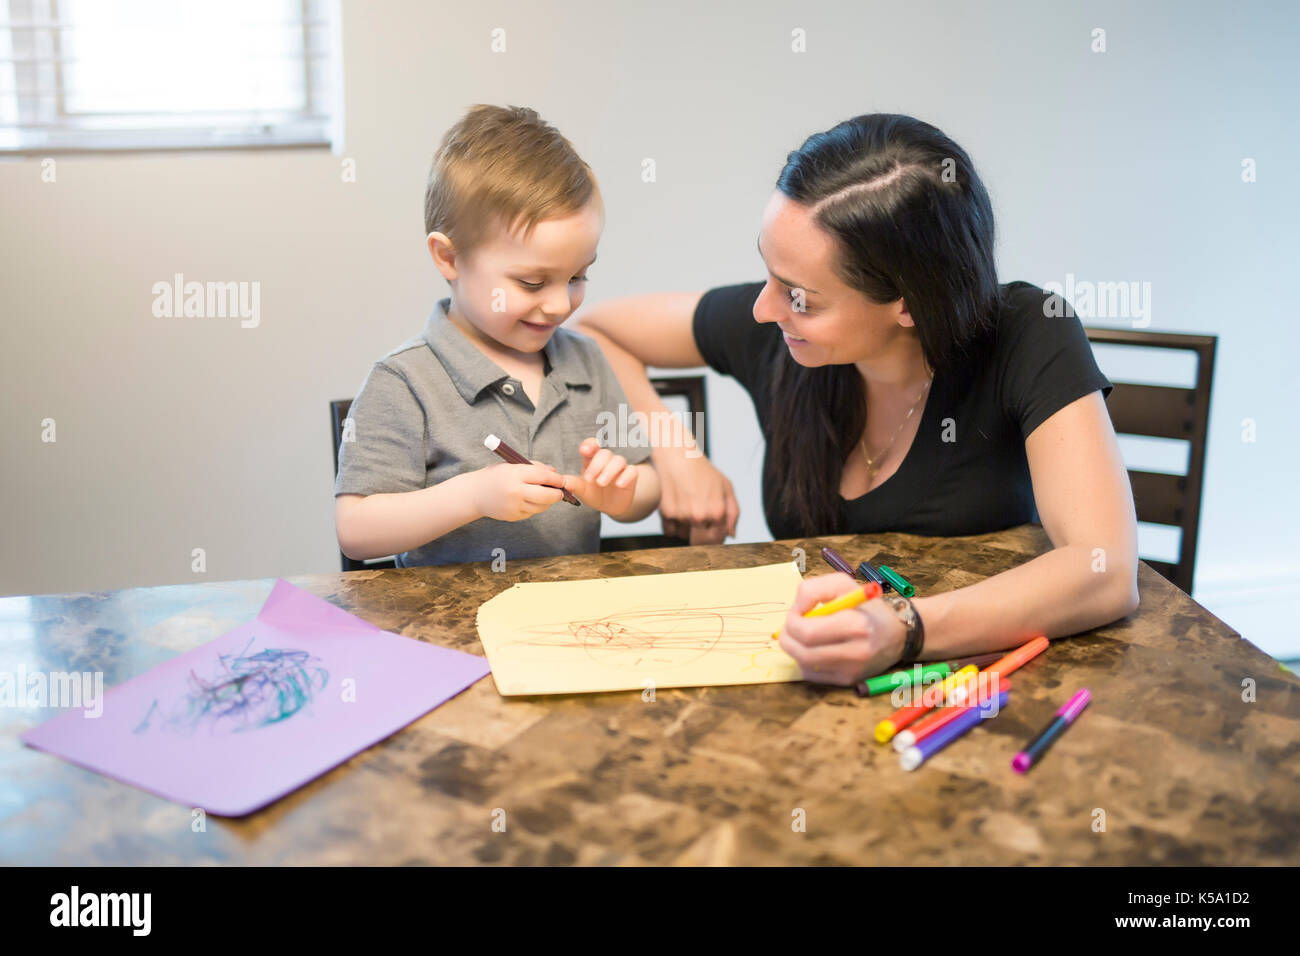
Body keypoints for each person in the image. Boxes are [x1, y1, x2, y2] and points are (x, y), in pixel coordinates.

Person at [573, 113, 1138, 685]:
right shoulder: (778, 332)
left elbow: (1107, 569)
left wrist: (904, 629)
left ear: (910, 304)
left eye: (800, 297)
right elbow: (599, 332)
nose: (763, 310)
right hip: (810, 679)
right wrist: (678, 456)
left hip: (980, 689)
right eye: (768, 272)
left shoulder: (1029, 332)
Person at [335, 105, 660, 568]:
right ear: (449, 258)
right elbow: (356, 531)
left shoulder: (586, 361)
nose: (560, 304)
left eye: (577, 277)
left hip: (570, 621)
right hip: (446, 629)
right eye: (531, 283)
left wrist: (622, 492)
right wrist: (472, 497)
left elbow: (648, 486)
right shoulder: (404, 380)